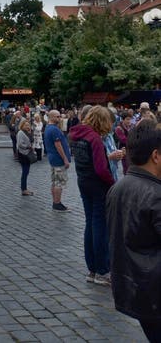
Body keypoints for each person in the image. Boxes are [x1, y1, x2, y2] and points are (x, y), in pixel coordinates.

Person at [106, 122, 161, 343]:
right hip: (155, 290)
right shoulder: (156, 194)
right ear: (156, 156)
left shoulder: (118, 187)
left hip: (136, 290)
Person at [69, 105, 116, 285]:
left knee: (90, 224)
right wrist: (112, 184)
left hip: (83, 181)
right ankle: (103, 270)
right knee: (100, 227)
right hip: (98, 185)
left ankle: (92, 269)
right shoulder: (94, 139)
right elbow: (101, 169)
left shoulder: (77, 135)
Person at [43, 109, 72, 212]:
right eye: (57, 117)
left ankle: (55, 202)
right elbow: (58, 145)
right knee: (59, 182)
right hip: (58, 159)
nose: (59, 118)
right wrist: (65, 159)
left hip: (53, 159)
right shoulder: (54, 129)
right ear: (51, 117)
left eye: (60, 116)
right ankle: (57, 204)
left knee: (55, 182)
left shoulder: (48, 128)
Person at [16, 118, 34, 196]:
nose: (27, 126)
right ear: (22, 125)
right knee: (25, 172)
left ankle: (25, 189)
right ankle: (24, 189)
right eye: (26, 125)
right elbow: (20, 144)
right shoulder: (20, 132)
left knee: (26, 172)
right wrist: (28, 147)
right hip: (23, 154)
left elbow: (32, 140)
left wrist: (30, 133)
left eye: (28, 125)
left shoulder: (27, 132)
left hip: (27, 154)